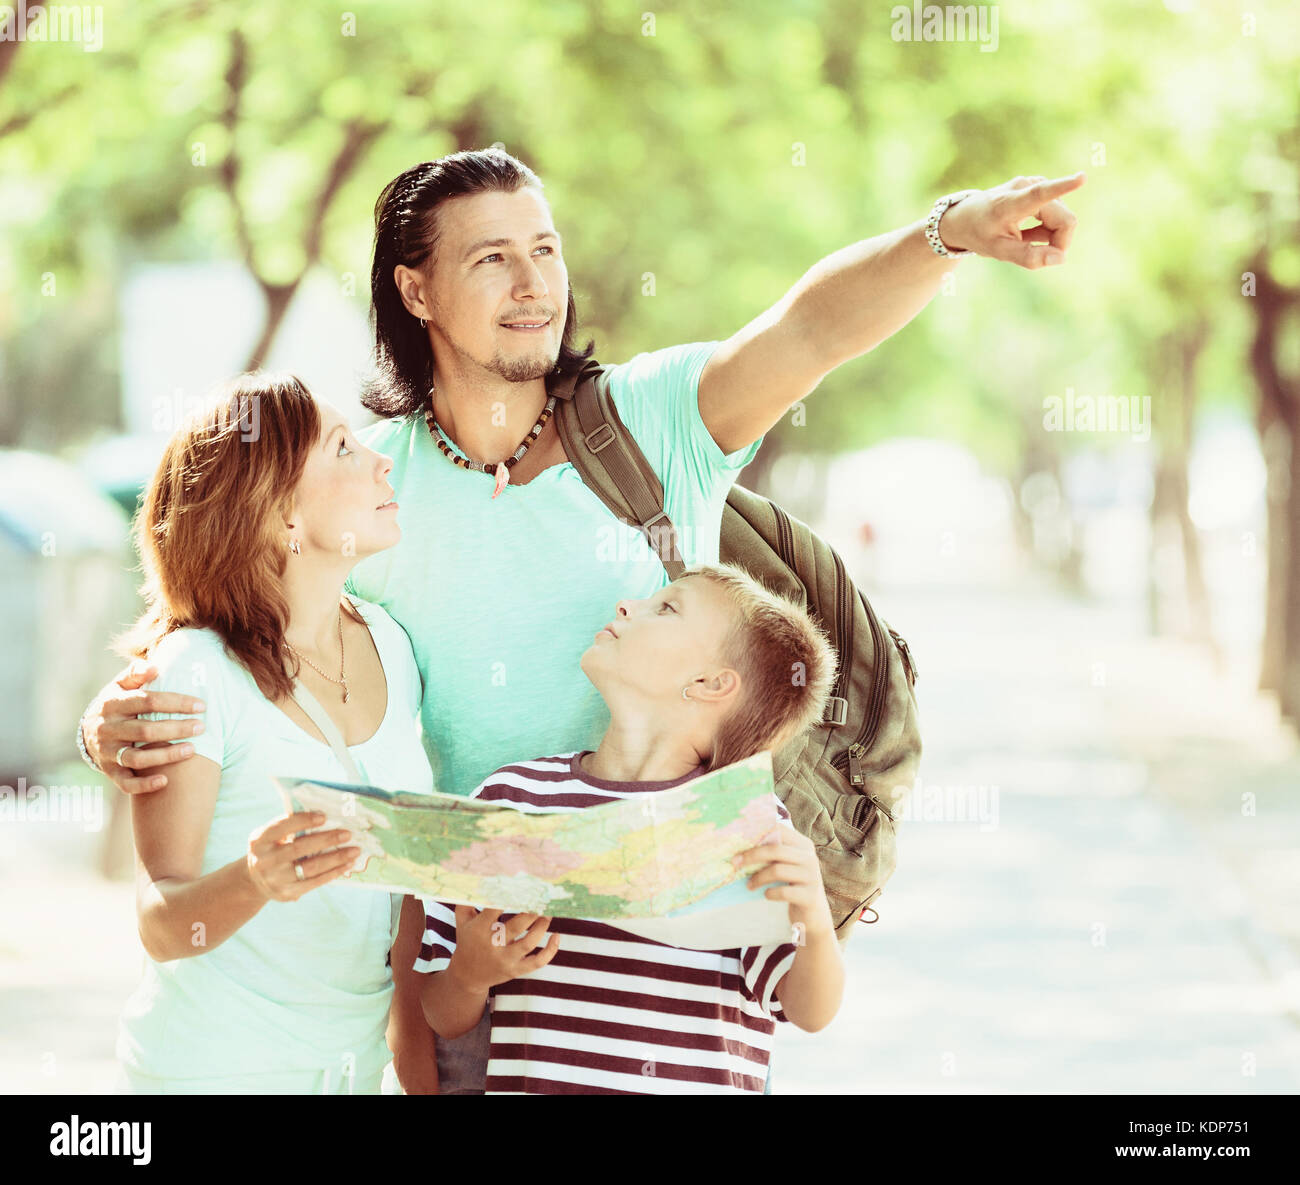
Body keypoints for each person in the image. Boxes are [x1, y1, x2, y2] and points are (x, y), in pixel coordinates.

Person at [78, 149, 1084, 1093]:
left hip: (674, 971)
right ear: (415, 291)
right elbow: (254, 618)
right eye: (493, 258)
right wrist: (115, 718)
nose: (533, 283)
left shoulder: (653, 425)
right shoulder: (378, 486)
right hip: (492, 970)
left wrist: (948, 235)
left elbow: (810, 330)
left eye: (545, 250)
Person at [111, 373, 433, 1094]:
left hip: (352, 1072)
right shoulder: (195, 670)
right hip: (216, 1072)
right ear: (279, 513)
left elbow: (402, 906)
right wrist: (256, 879)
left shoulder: (393, 644)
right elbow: (162, 919)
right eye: (344, 449)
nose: (382, 461)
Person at [416, 562, 844, 1093]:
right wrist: (470, 974)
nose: (626, 605)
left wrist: (816, 923)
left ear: (709, 683)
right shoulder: (511, 799)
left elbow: (809, 1012)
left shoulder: (746, 830)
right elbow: (439, 1012)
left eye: (665, 608)